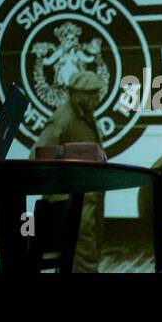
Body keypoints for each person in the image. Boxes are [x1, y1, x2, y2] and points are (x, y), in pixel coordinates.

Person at [31, 71, 107, 272]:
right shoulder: (64, 119)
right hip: (74, 202)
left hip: (87, 200)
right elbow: (38, 155)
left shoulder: (84, 115)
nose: (96, 98)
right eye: (91, 94)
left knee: (88, 253)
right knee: (83, 258)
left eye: (97, 93)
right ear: (77, 94)